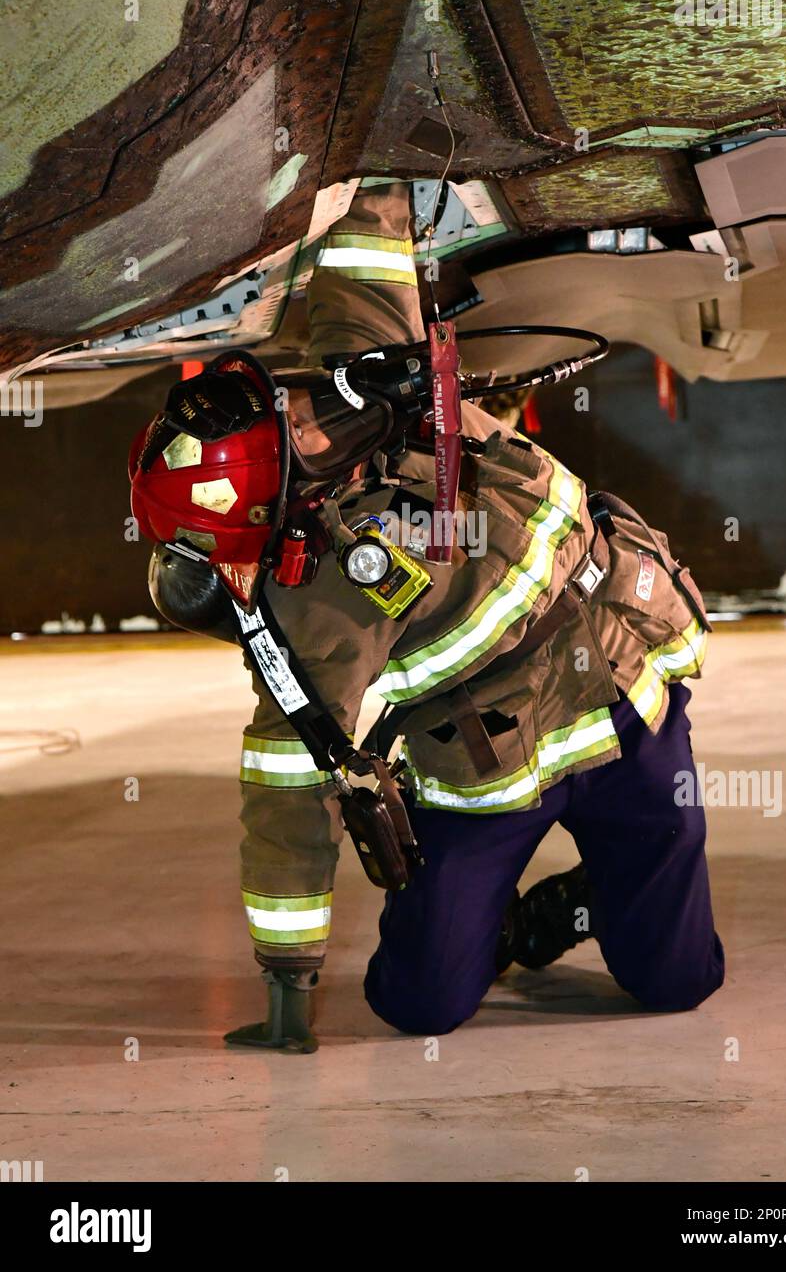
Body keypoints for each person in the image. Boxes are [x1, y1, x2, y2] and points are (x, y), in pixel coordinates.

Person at [129, 182, 724, 1052]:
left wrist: (370, 175)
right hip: (488, 766)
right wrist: (289, 991)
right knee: (419, 1006)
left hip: (623, 695)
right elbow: (289, 800)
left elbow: (361, 257)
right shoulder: (306, 609)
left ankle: (579, 902)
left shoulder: (362, 383)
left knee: (679, 984)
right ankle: (502, 927)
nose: (310, 423)